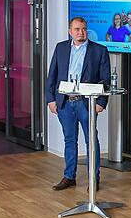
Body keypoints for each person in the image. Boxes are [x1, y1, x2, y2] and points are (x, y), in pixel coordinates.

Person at [46, 17, 111, 191]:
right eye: (76, 29)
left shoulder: (99, 50)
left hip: (87, 103)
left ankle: (93, 179)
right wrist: (51, 99)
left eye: (83, 29)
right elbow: (52, 75)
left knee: (91, 141)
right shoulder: (61, 48)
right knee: (69, 140)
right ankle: (69, 176)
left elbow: (106, 79)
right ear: (70, 31)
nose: (80, 32)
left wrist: (102, 102)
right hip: (65, 102)